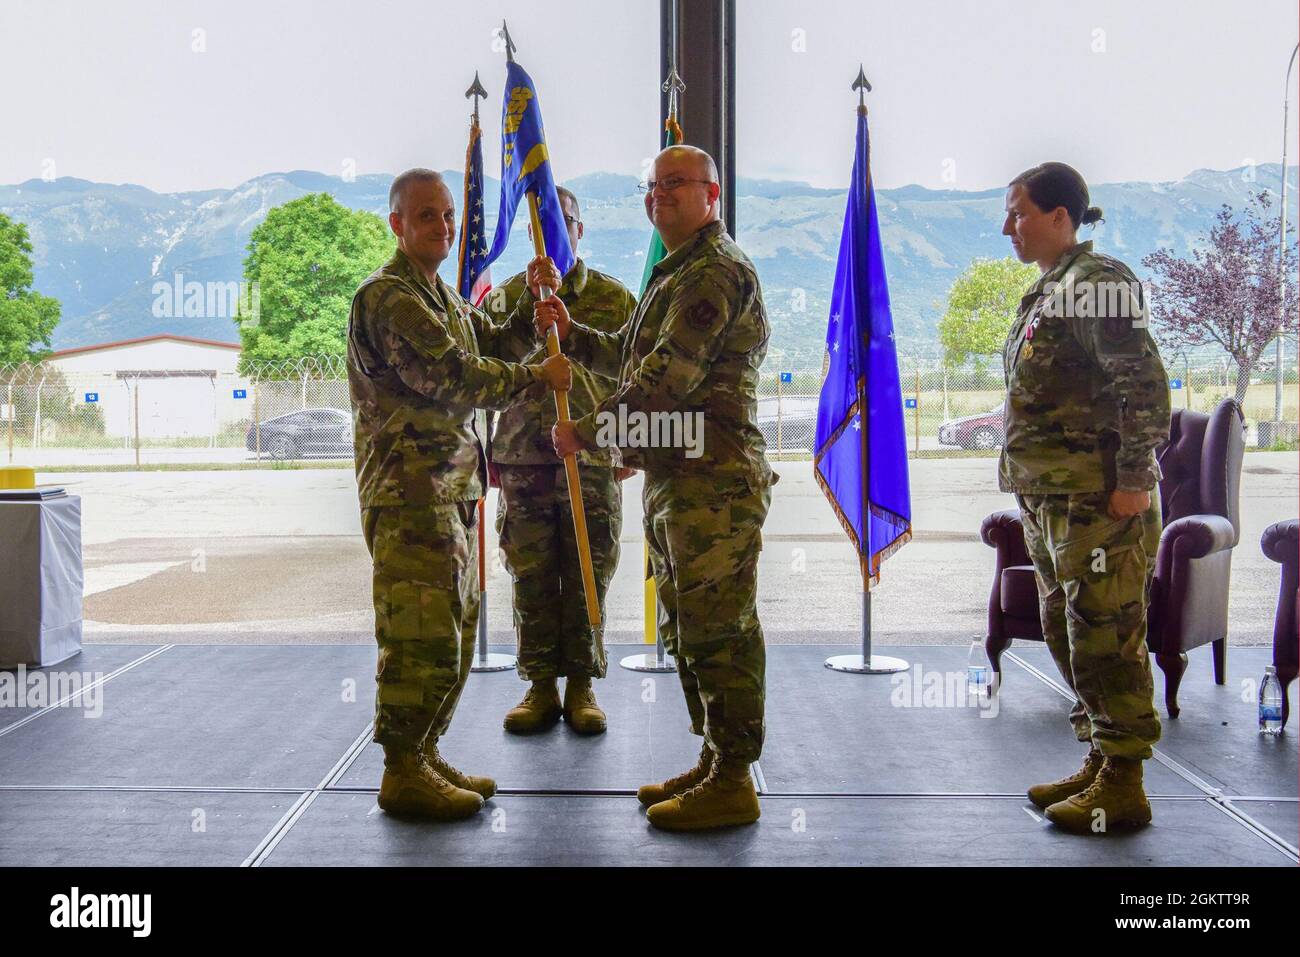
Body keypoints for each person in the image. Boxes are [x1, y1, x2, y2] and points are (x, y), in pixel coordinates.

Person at [539, 145, 775, 831]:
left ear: (713, 193)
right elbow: (635, 357)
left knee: (720, 629)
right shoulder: (679, 272)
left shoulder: (714, 273)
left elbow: (665, 382)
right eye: (654, 185)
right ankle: (713, 760)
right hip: (682, 478)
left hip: (715, 484)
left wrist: (584, 432)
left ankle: (734, 776)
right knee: (692, 628)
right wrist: (573, 334)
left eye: (677, 184)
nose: (661, 195)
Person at [346, 168, 571, 821]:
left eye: (448, 215)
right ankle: (401, 768)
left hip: (450, 491)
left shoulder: (438, 296)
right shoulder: (389, 298)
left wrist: (537, 311)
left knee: (455, 627)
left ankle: (424, 749)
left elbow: (487, 341)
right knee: (419, 633)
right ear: (397, 224)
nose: (443, 227)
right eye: (426, 216)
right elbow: (455, 375)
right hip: (409, 494)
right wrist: (538, 376)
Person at [1000, 161, 1170, 834]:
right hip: (1053, 498)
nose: (1007, 226)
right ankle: (1101, 756)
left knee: (1106, 635)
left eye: (1017, 212)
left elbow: (1144, 387)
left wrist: (1133, 479)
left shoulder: (1099, 285)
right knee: (1068, 630)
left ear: (1060, 216)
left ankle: (1124, 783)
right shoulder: (1053, 288)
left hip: (1100, 501)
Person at [480, 187, 637, 736]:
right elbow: (482, 374)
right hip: (523, 457)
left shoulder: (615, 299)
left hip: (592, 457)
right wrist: (488, 455)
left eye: (563, 221)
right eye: (542, 225)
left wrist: (629, 445)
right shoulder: (504, 301)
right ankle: (540, 683)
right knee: (531, 573)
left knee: (590, 569)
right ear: (530, 234)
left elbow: (638, 376)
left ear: (579, 228)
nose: (554, 232)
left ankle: (583, 684)